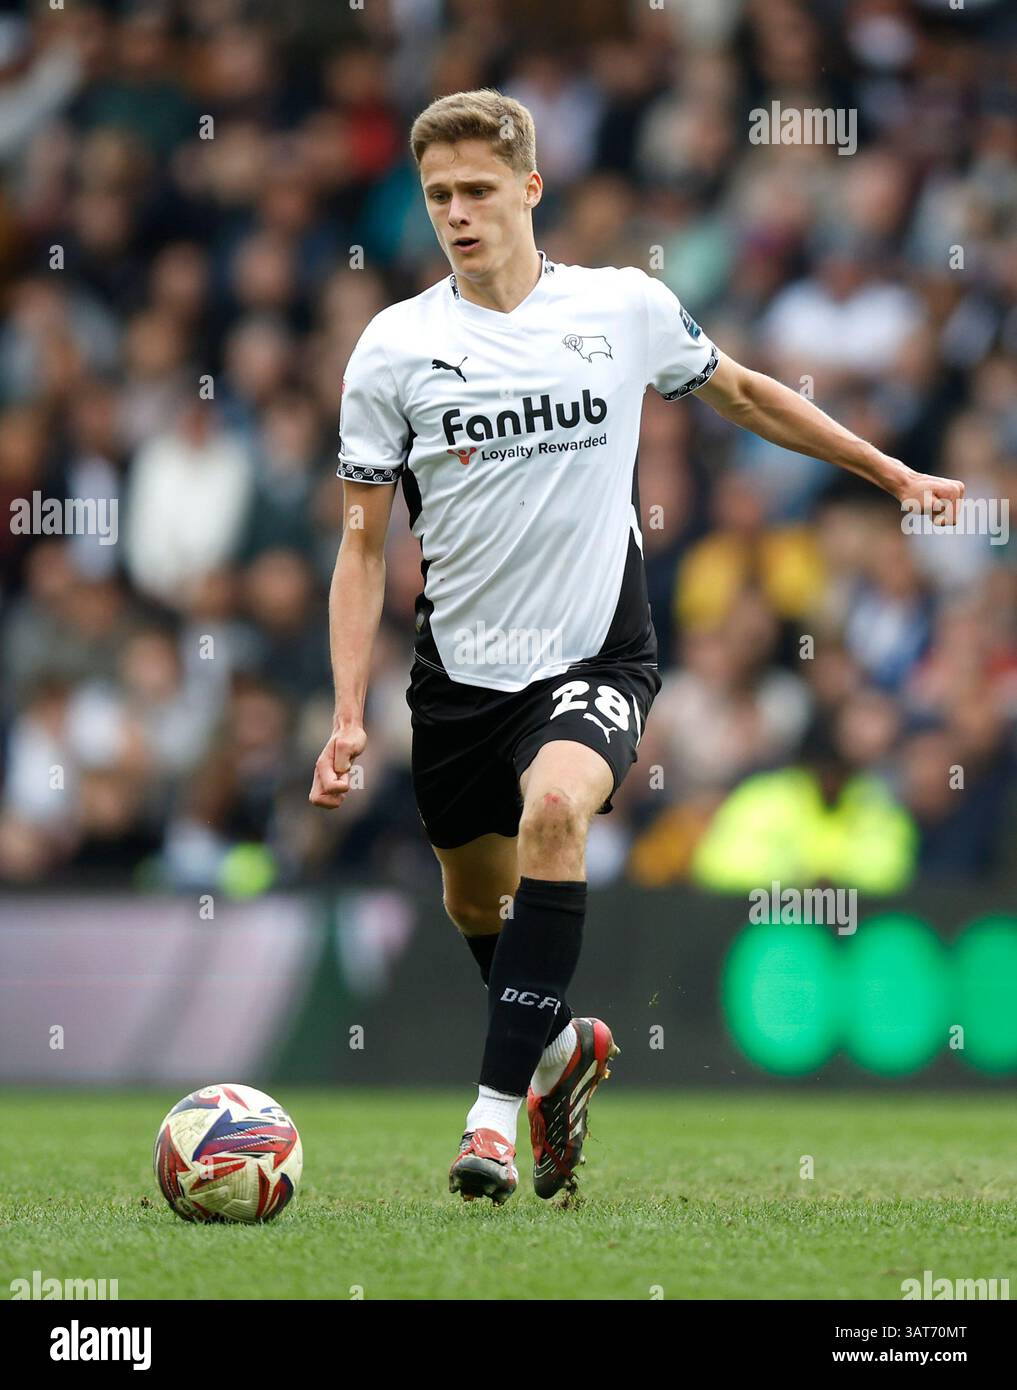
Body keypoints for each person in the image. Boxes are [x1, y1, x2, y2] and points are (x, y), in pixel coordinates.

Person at [309, 89, 963, 1206]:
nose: (457, 213)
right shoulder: (394, 350)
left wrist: (891, 473)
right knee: (477, 901)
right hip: (460, 678)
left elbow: (750, 395)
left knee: (555, 814)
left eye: (476, 189)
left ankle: (489, 1123)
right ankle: (559, 1060)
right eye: (437, 197)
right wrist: (347, 713)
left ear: (530, 186)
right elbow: (363, 543)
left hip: (595, 657)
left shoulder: (622, 309)